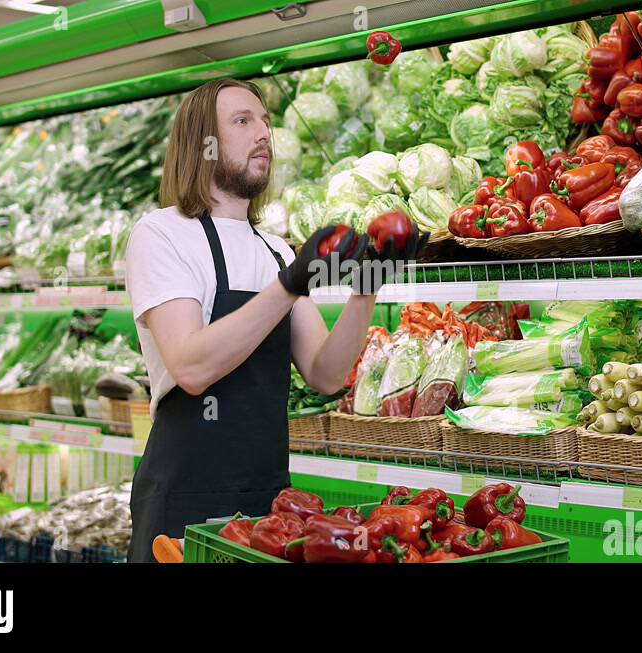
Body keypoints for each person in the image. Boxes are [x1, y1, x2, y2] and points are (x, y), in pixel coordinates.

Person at [124, 79, 424, 562]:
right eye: (242, 121)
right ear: (201, 142)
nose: (263, 132)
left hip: (270, 499)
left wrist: (368, 286)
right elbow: (191, 368)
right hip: (183, 496)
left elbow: (326, 374)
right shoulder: (162, 234)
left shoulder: (273, 248)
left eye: (264, 121)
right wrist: (289, 284)